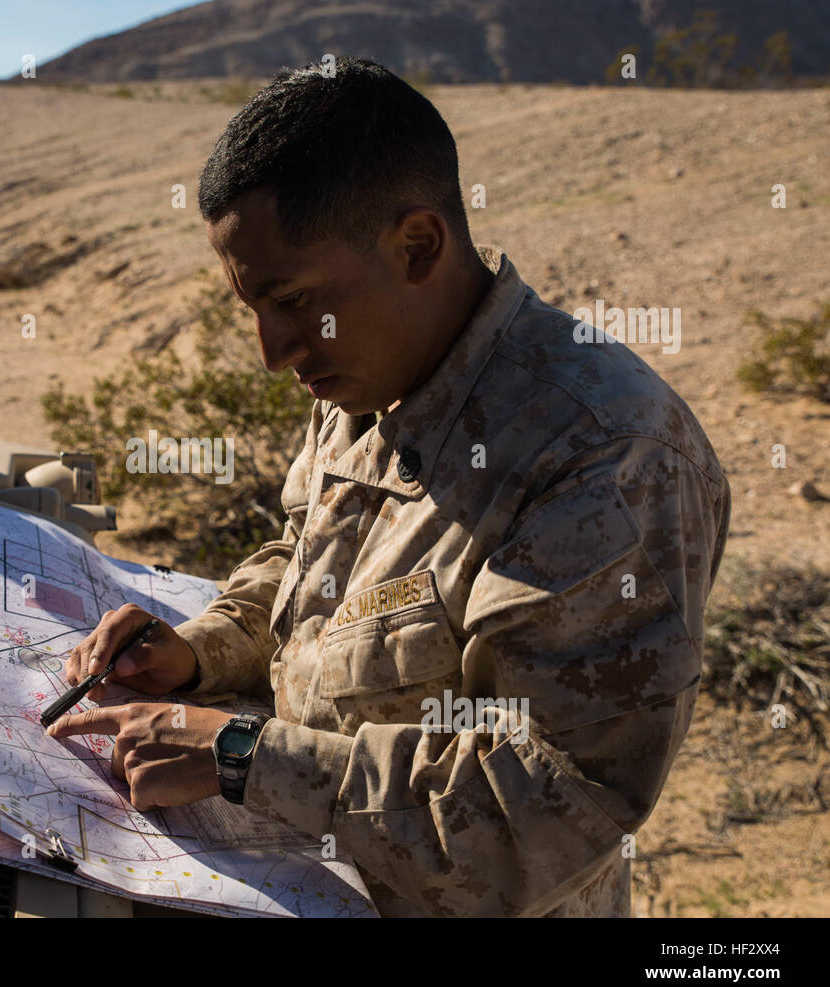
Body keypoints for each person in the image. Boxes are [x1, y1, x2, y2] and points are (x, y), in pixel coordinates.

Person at [47, 57, 730, 917]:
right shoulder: (370, 369)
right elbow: (307, 566)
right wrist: (198, 649)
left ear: (417, 245)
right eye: (253, 307)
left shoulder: (608, 457)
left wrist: (244, 757)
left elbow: (551, 812)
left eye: (294, 300)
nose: (274, 351)